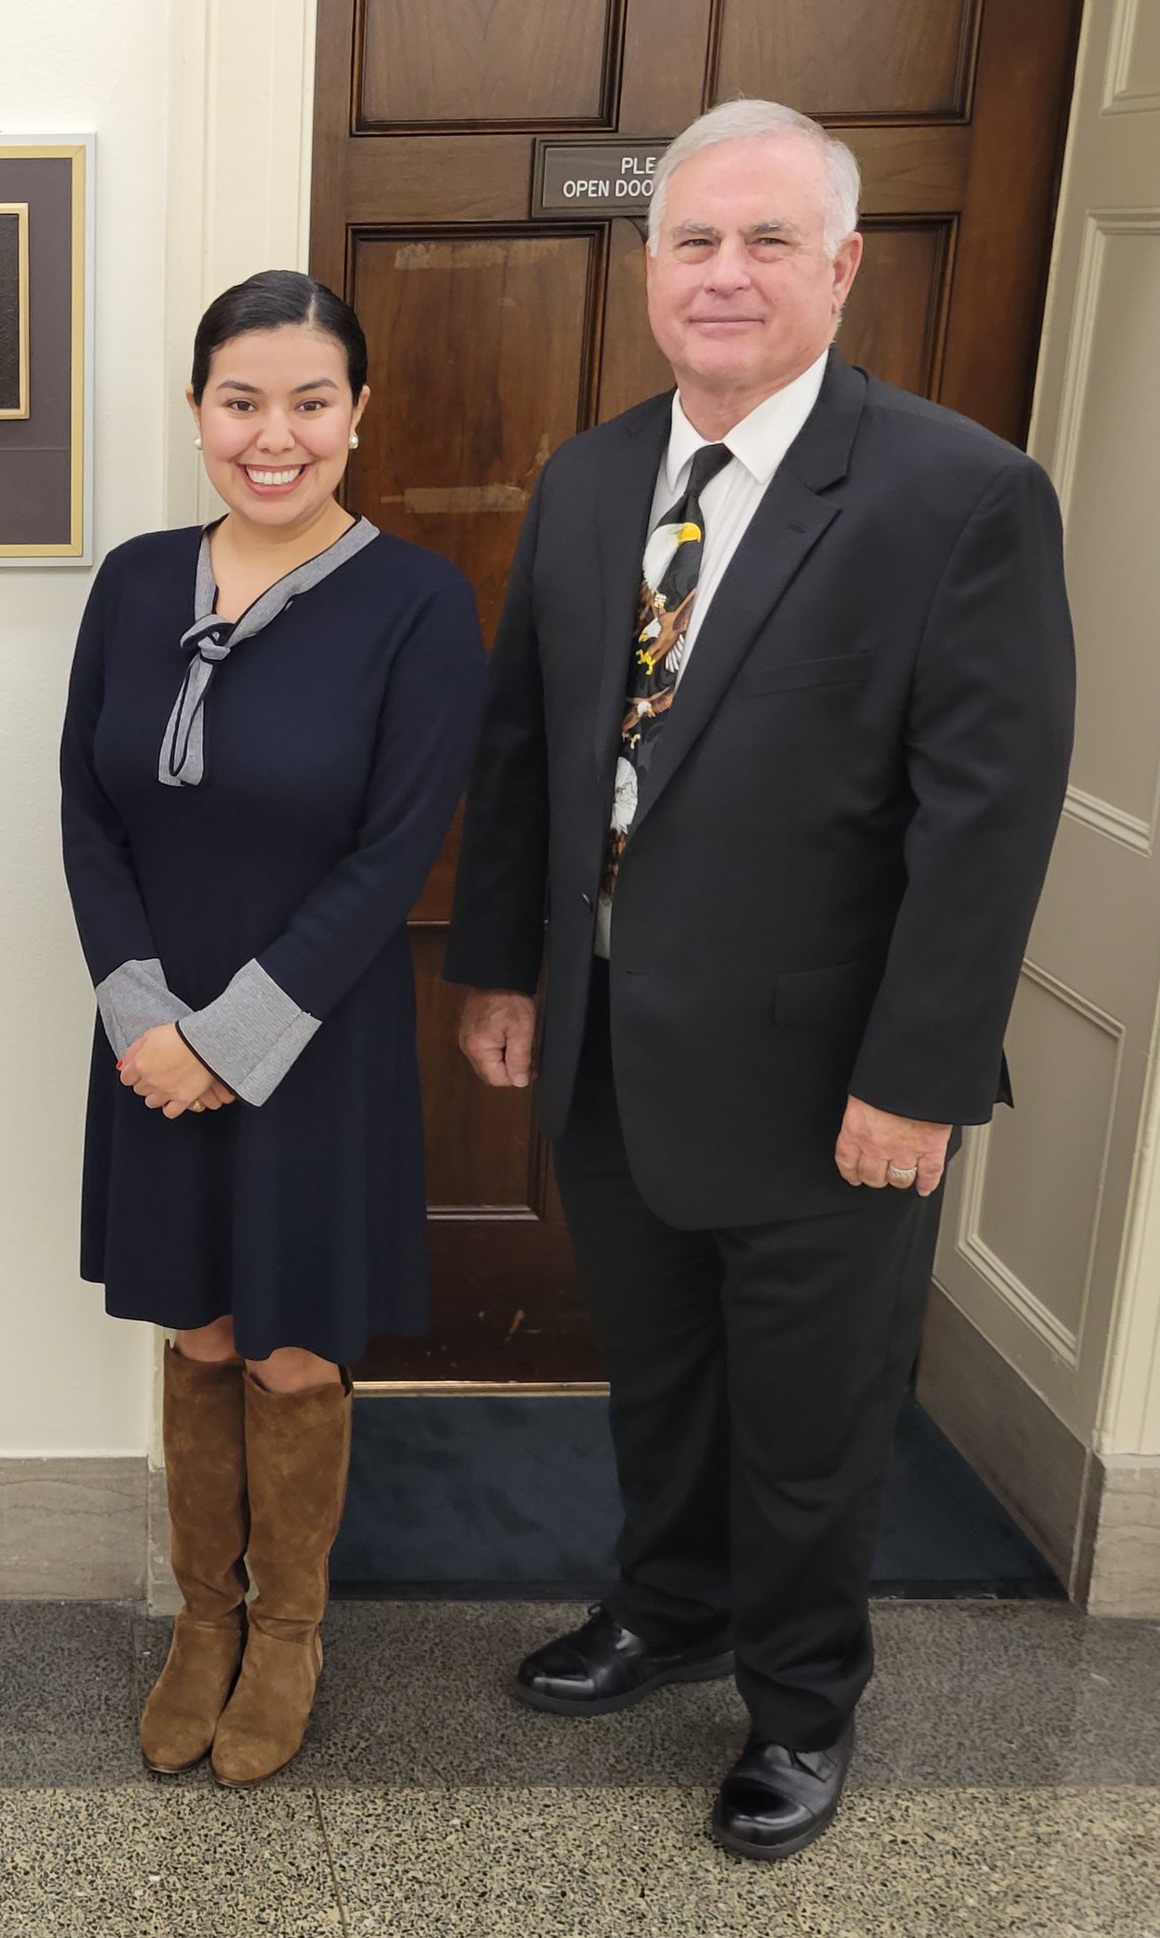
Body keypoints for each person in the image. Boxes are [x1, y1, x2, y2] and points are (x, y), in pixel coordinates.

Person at [445, 98, 1074, 1860]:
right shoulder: (588, 477)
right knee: (660, 1374)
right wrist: (505, 968)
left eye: (766, 242)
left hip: (832, 1083)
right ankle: (671, 1606)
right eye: (695, 244)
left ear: (842, 266)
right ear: (652, 271)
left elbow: (987, 823)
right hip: (612, 1053)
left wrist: (922, 1074)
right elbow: (529, 754)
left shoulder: (959, 494)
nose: (725, 276)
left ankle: (801, 1704)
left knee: (811, 1424)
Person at [61, 271, 486, 1788]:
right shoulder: (132, 579)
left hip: (313, 1047)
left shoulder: (420, 602)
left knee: (296, 1349)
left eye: (311, 402)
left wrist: (227, 1039)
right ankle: (203, 1621)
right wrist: (138, 1010)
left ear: (358, 416)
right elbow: (87, 811)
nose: (275, 435)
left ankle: (289, 1630)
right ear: (197, 411)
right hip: (150, 1040)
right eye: (242, 401)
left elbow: (393, 857)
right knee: (203, 1326)